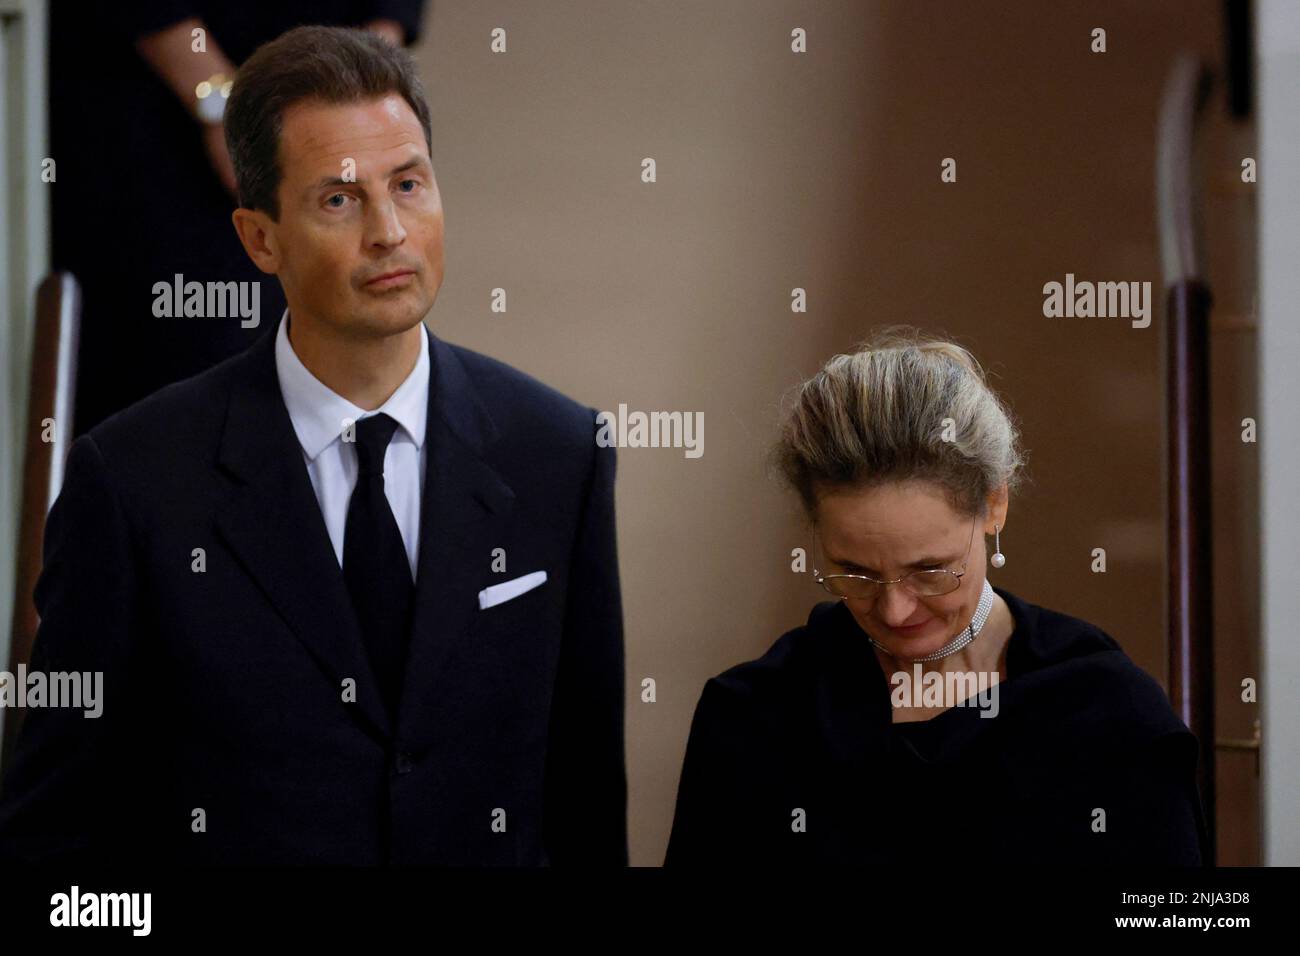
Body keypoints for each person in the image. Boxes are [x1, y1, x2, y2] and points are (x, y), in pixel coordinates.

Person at [0, 26, 626, 866]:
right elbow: (56, 840)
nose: (390, 232)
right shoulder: (132, 479)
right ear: (260, 239)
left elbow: (586, 805)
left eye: (409, 185)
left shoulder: (559, 450)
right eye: (339, 199)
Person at [664, 327, 1209, 866]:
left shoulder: (1106, 714)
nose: (895, 610)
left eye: (930, 570)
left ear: (995, 506)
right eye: (853, 571)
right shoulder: (754, 715)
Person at [51, 1, 427, 437]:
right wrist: (221, 104)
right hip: (157, 149)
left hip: (322, 111)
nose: (391, 234)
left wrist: (367, 84)